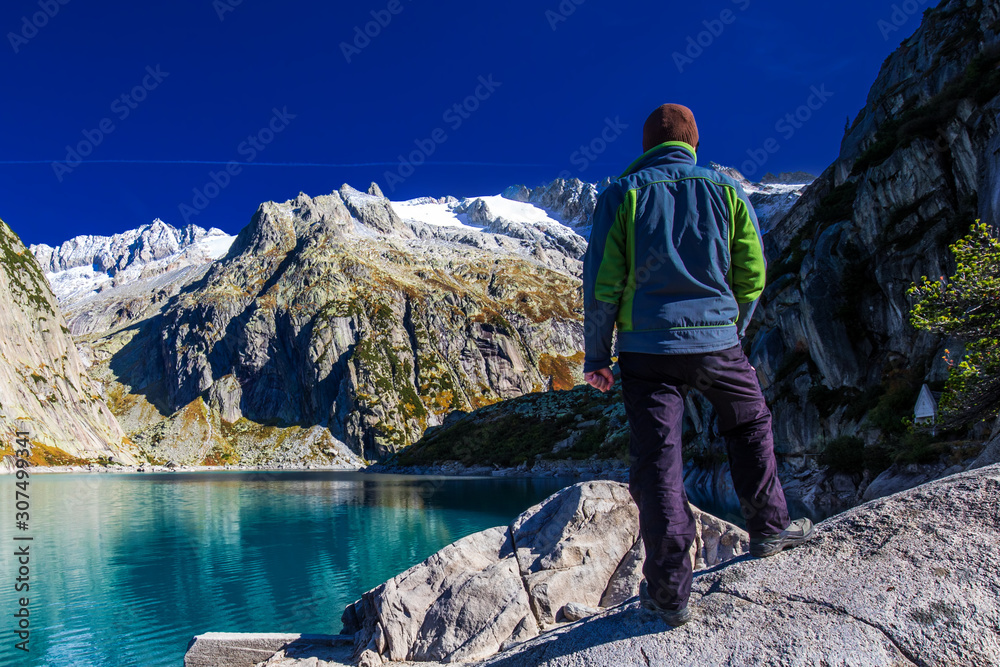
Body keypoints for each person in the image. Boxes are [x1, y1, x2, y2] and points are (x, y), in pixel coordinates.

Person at [582, 103, 814, 627]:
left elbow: (602, 285)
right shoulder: (726, 190)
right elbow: (752, 271)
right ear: (694, 143)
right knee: (748, 424)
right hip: (717, 342)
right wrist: (734, 328)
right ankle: (770, 527)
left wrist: (598, 355)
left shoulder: (622, 194)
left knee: (659, 458)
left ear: (646, 147)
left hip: (646, 352)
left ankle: (669, 592)